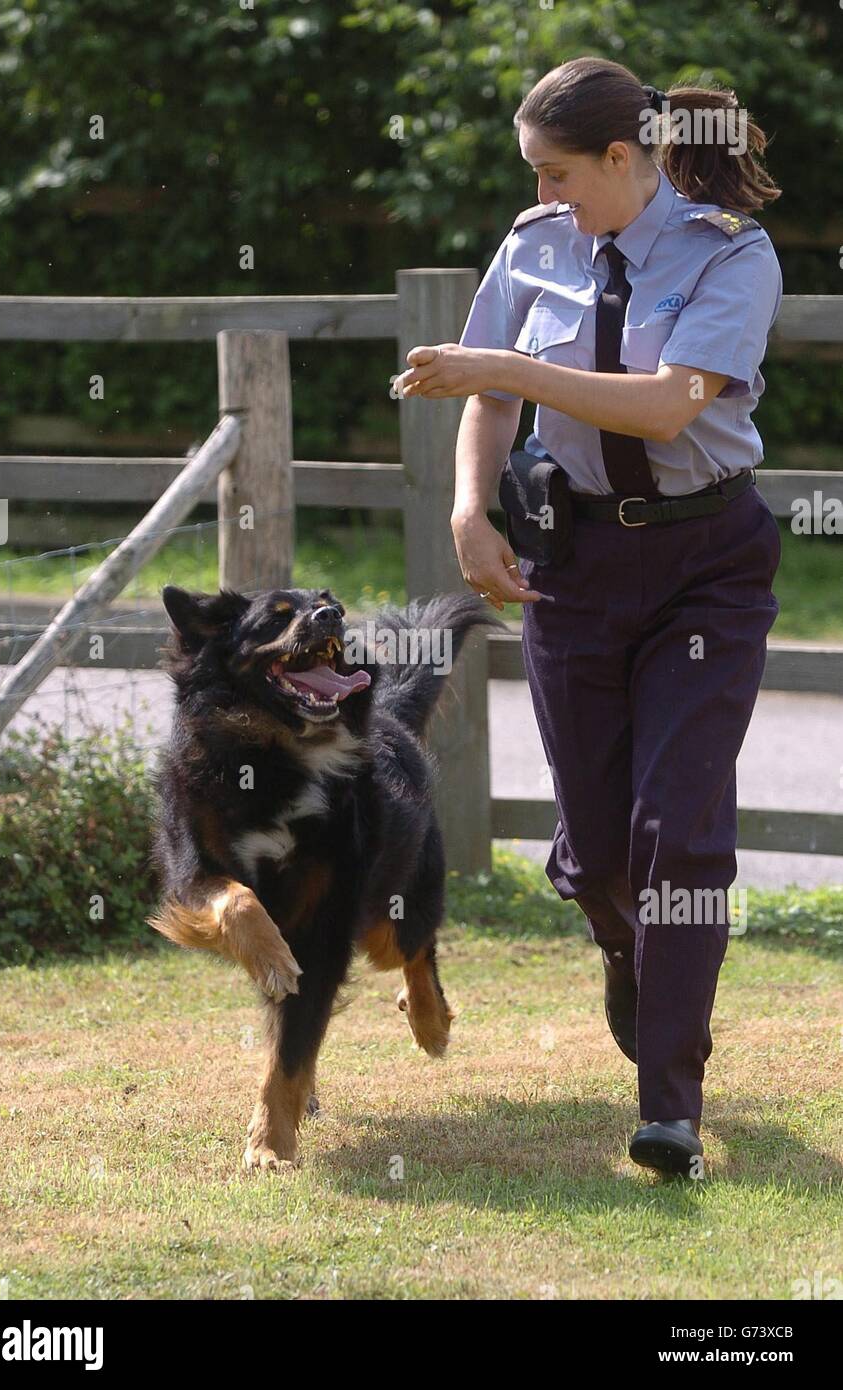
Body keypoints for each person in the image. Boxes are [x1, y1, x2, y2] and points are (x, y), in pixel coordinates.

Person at [393, 55, 784, 1176]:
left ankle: (671, 1102)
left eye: (559, 173)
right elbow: (492, 397)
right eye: (536, 175)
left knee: (681, 825)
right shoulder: (532, 245)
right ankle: (629, 947)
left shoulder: (729, 254)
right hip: (575, 564)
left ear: (626, 157)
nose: (545, 193)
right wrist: (473, 507)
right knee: (603, 842)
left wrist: (504, 364)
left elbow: (667, 409)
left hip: (706, 564)